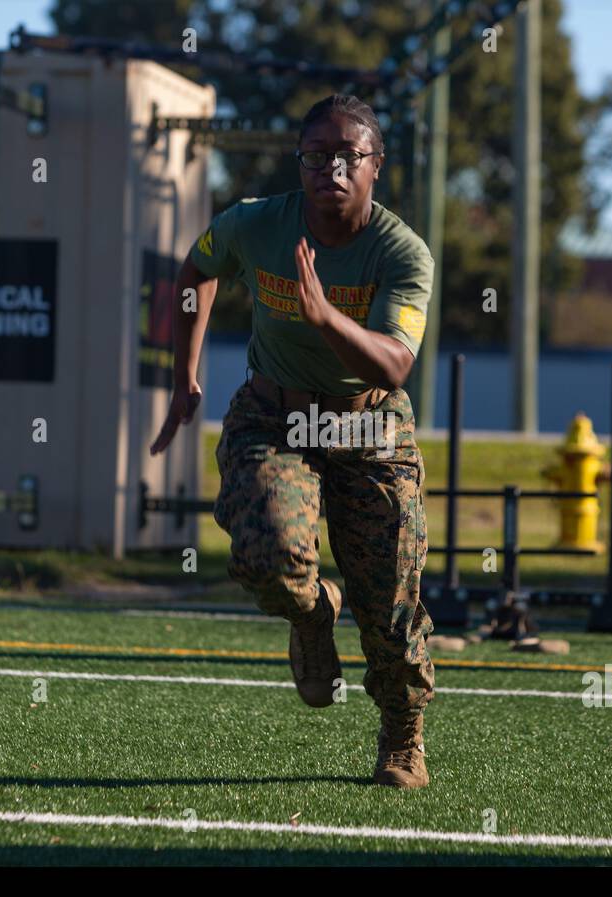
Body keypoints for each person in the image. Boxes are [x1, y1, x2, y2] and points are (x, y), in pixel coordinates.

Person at [149, 94, 437, 788]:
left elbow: (395, 363)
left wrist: (325, 317)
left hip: (369, 425)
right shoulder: (255, 225)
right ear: (299, 161)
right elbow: (193, 274)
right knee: (267, 555)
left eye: (348, 156)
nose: (330, 168)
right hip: (274, 416)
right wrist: (184, 376)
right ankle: (312, 612)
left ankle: (402, 738)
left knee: (390, 608)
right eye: (316, 155)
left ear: (376, 166)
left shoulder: (401, 252)